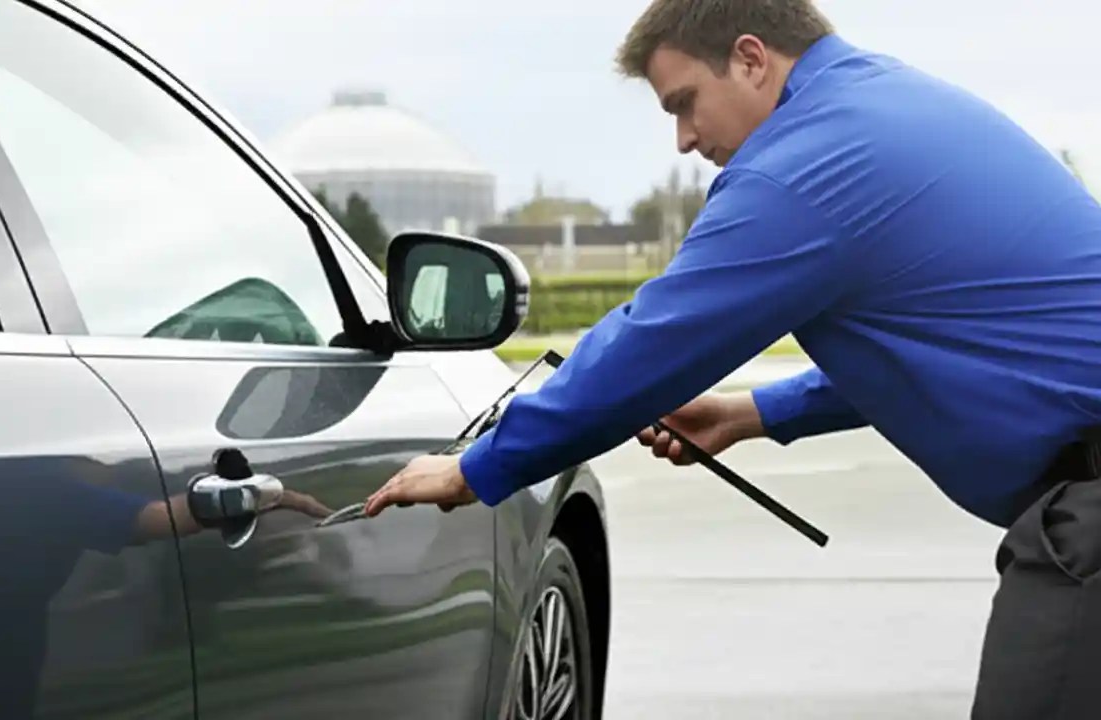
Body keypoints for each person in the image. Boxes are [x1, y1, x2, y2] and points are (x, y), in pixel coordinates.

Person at [362, 0, 1101, 717]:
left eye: (685, 104)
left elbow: (652, 343)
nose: (684, 139)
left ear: (751, 59)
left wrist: (474, 468)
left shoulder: (804, 165)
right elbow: (947, 347)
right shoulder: (880, 105)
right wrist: (750, 414)